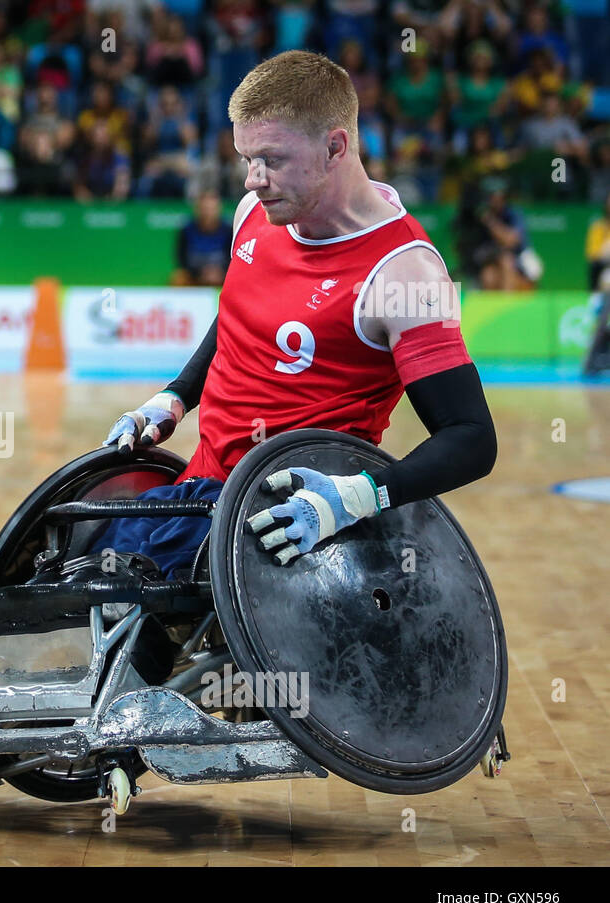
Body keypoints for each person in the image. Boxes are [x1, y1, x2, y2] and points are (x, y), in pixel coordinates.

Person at [97, 50, 496, 576]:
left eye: (272, 160)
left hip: (287, 521)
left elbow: (471, 437)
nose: (251, 180)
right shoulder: (254, 215)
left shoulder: (406, 274)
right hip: (199, 492)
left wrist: (353, 498)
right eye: (245, 159)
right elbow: (239, 320)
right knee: (72, 574)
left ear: (335, 146)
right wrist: (174, 397)